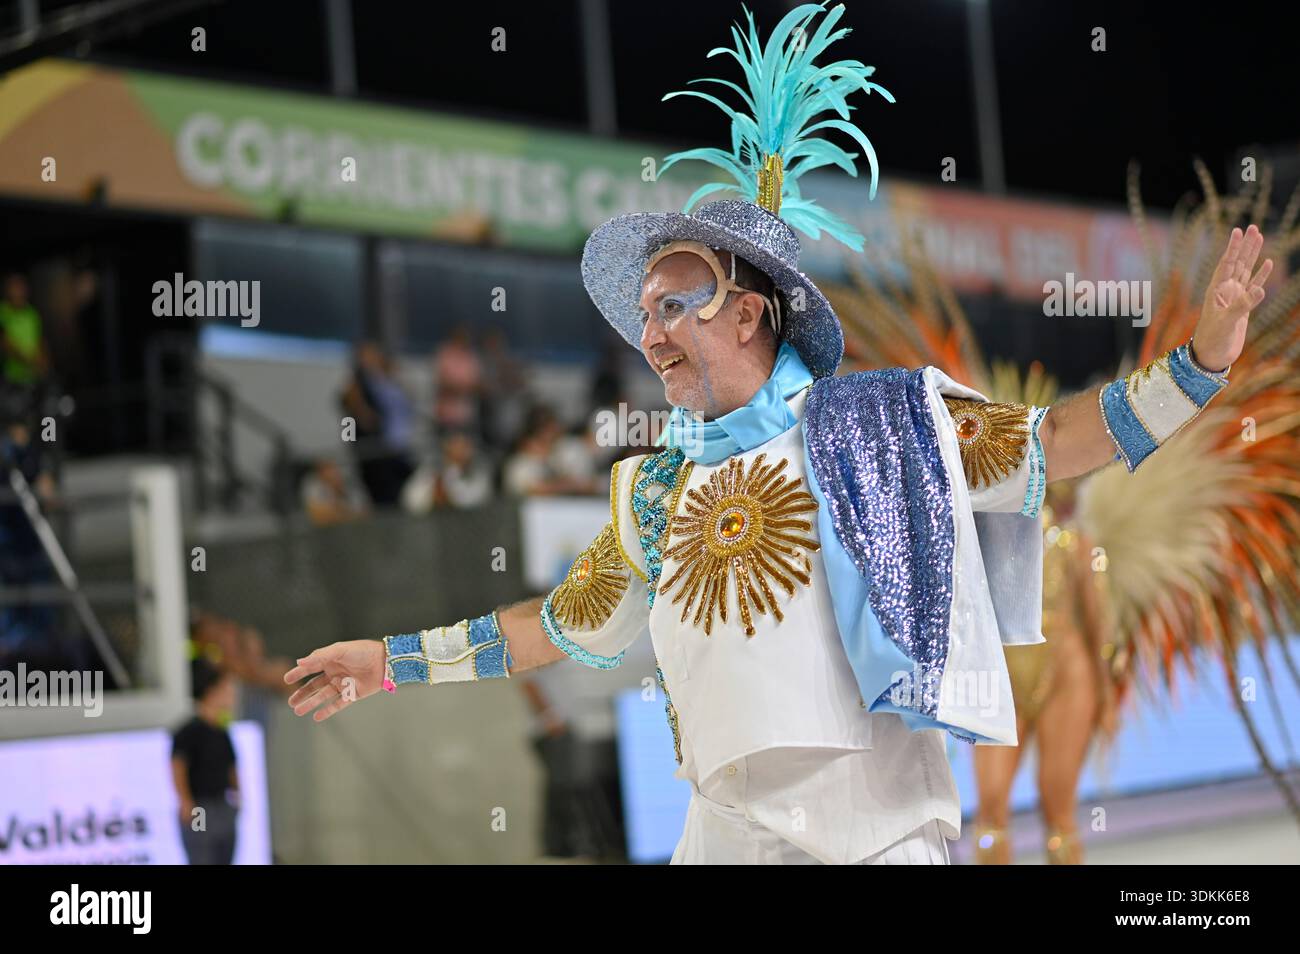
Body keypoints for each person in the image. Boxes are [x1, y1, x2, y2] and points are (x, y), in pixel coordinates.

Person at [283, 4, 1271, 864]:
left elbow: (1049, 444)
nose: (653, 329)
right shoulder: (653, 490)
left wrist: (1198, 367)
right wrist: (390, 660)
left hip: (880, 843)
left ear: (751, 314)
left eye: (679, 303)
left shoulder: (888, 425)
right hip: (724, 844)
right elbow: (558, 626)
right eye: (645, 311)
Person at [172, 656, 240, 865]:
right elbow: (178, 765)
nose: (232, 695)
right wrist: (185, 801)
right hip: (200, 807)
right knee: (202, 855)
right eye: (227, 689)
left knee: (224, 855)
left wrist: (238, 794)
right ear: (213, 691)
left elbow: (231, 765)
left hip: (222, 804)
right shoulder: (190, 731)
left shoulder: (221, 731)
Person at [339, 341, 415, 506]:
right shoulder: (357, 383)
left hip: (396, 447)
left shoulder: (385, 381)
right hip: (376, 449)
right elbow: (347, 417)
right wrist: (354, 437)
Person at [0, 273, 49, 390]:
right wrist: (27, 360)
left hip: (33, 376)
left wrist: (43, 362)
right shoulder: (3, 312)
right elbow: (4, 343)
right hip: (12, 377)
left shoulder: (32, 313)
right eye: (14, 288)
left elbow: (39, 341)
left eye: (20, 287)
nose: (18, 291)